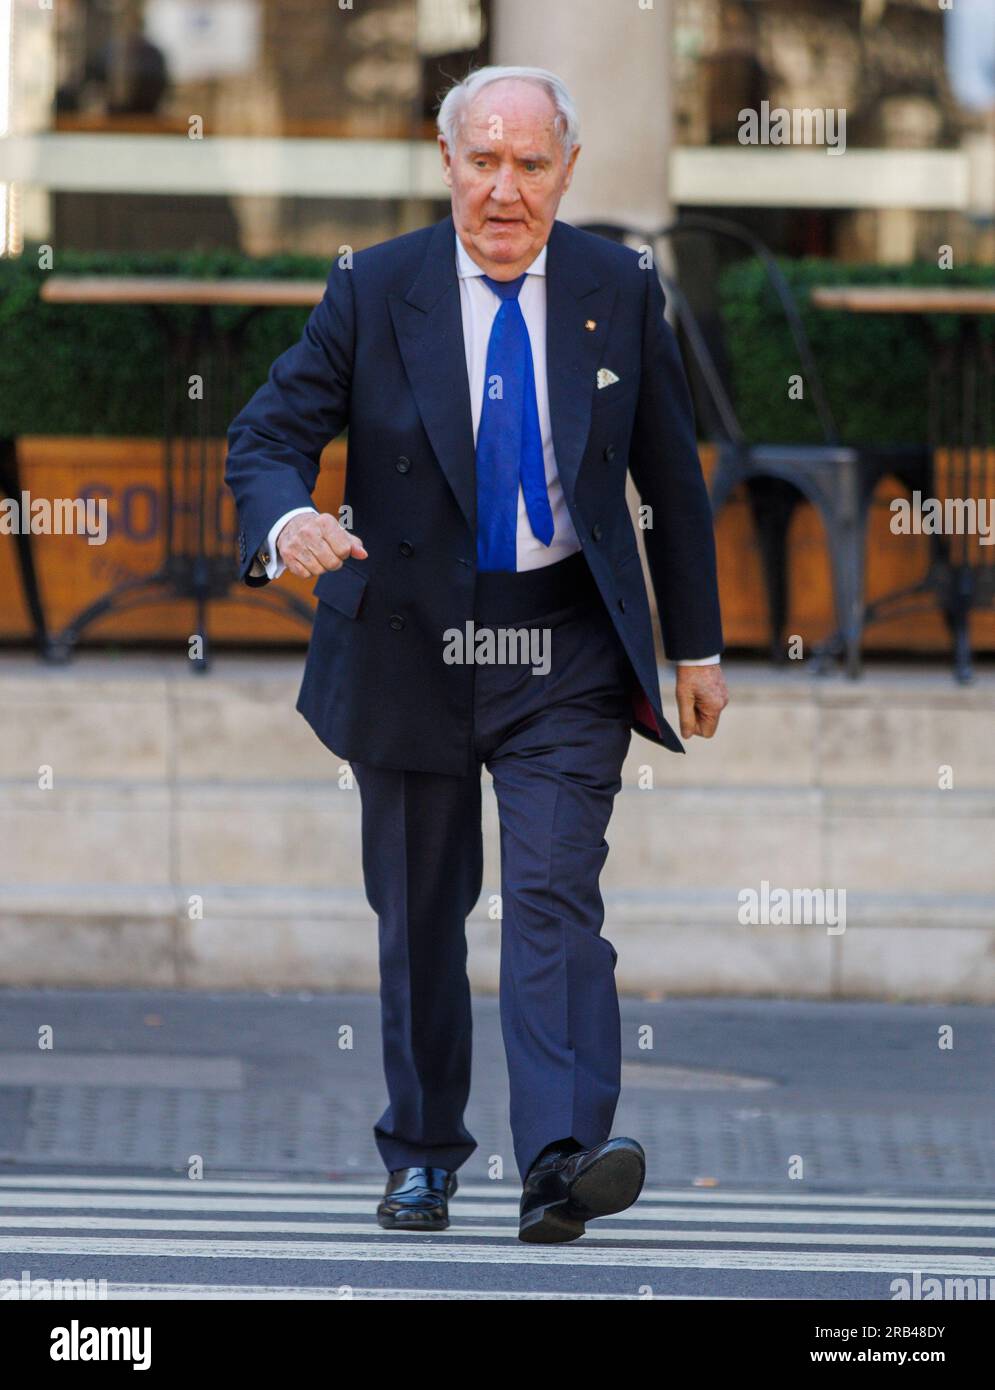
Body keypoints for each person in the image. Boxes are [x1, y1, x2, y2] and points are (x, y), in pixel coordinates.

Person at [225, 65, 728, 1244]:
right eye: (482, 162)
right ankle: (421, 1155)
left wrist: (695, 648)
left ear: (565, 171)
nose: (504, 190)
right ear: (446, 164)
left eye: (530, 164)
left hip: (561, 644)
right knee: (418, 912)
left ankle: (557, 1158)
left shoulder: (616, 287)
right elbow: (267, 433)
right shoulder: (374, 286)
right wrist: (285, 518)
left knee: (552, 893)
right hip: (405, 638)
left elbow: (670, 478)